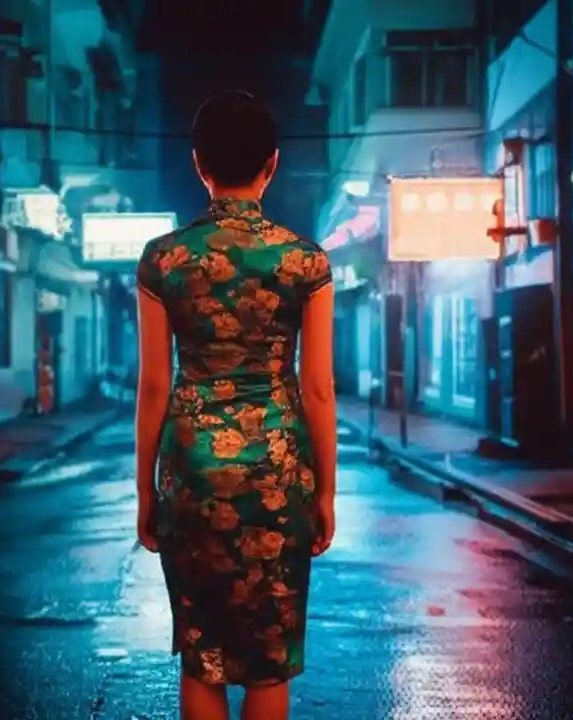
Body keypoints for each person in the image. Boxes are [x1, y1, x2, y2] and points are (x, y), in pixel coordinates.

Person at [133, 90, 338, 720]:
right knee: (268, 662)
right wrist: (325, 493)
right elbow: (318, 388)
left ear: (200, 165)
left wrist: (146, 493)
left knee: (204, 656)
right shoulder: (305, 261)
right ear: (272, 164)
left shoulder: (163, 258)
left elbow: (153, 386)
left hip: (191, 471)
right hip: (278, 474)